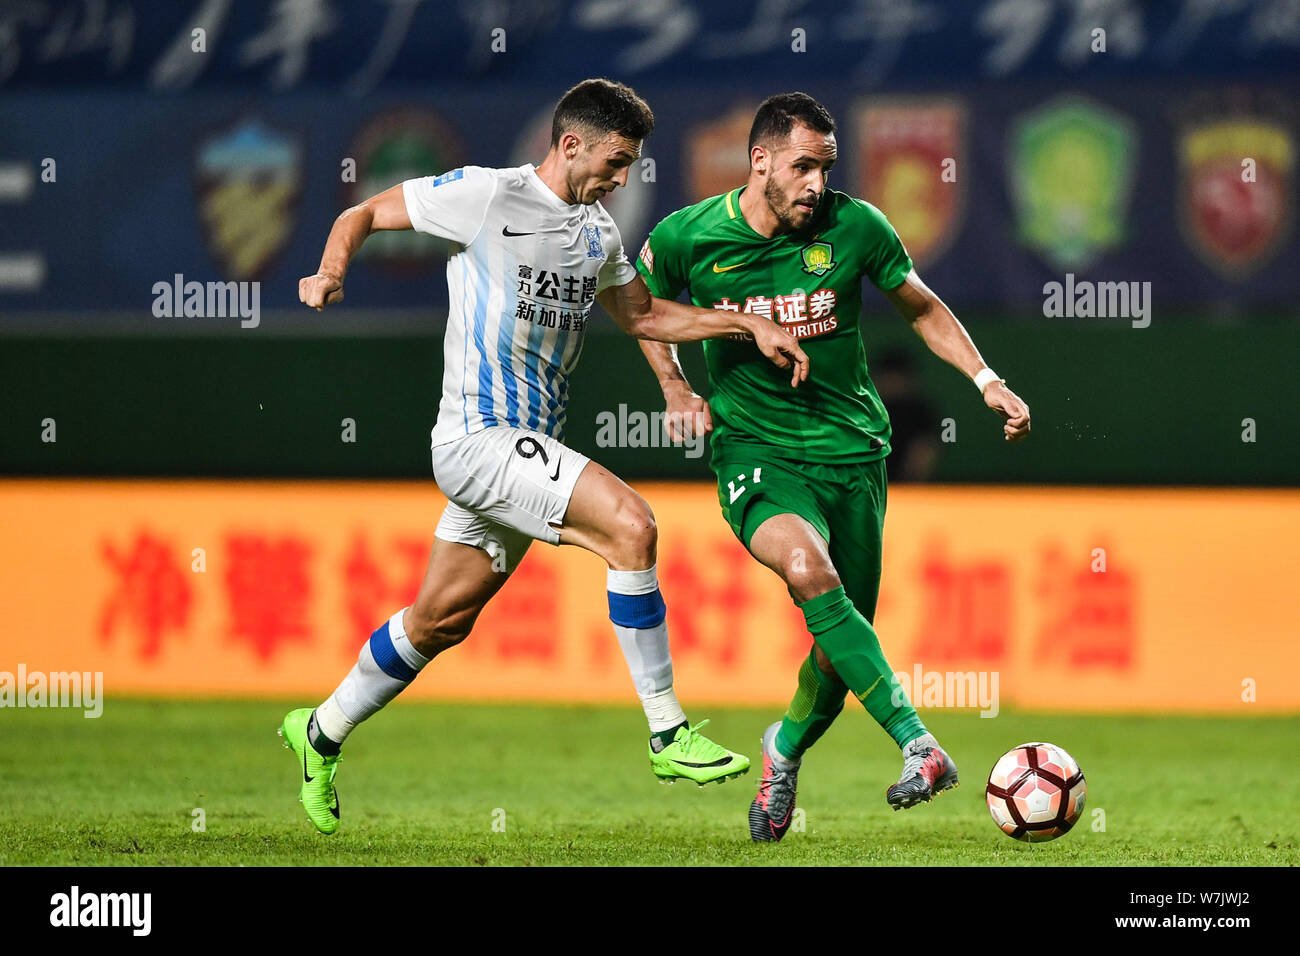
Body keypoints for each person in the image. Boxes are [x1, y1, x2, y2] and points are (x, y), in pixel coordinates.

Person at [283, 79, 809, 835]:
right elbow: (363, 211)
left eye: (631, 166)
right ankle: (668, 733)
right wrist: (332, 271)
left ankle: (320, 731)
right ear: (570, 146)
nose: (623, 179)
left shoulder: (597, 235)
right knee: (632, 524)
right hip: (478, 440)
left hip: (529, 450)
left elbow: (647, 314)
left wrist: (744, 325)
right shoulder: (485, 196)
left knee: (440, 620)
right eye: (616, 162)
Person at [634, 92, 1030, 842]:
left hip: (855, 457)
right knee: (811, 575)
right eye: (803, 166)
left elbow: (919, 306)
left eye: (826, 167)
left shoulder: (855, 226)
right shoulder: (688, 235)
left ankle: (781, 753)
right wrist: (675, 384)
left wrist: (985, 380)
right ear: (761, 162)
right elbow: (642, 307)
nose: (818, 183)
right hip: (758, 454)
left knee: (837, 647)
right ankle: (920, 741)